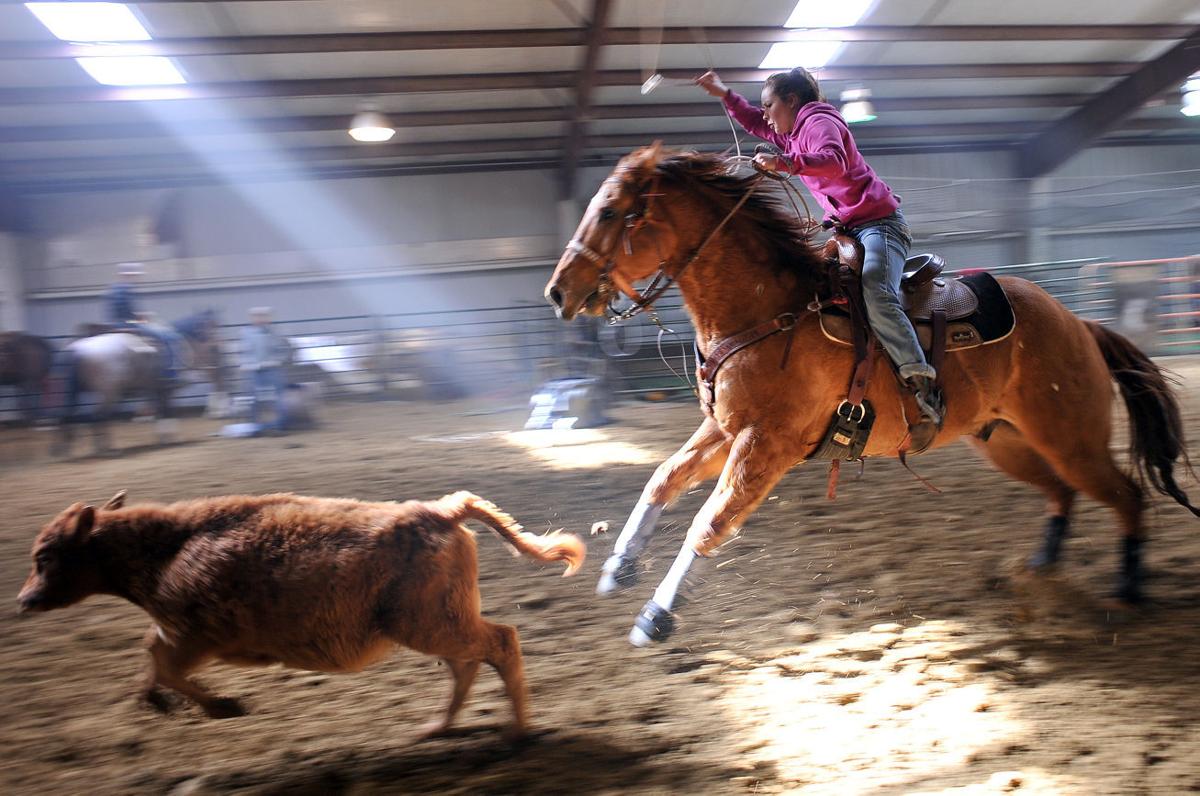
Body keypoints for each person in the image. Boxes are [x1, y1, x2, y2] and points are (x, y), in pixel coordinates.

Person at [695, 67, 943, 430]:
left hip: (879, 227)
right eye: (763, 107)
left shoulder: (818, 123)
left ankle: (922, 378)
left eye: (770, 105)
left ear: (792, 101)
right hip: (851, 230)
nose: (765, 114)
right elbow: (755, 123)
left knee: (876, 291)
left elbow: (833, 161)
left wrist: (786, 163)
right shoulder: (793, 131)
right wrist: (724, 94)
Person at [239, 307, 290, 433]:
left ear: (269, 318)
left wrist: (277, 360)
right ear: (252, 318)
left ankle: (279, 425)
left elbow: (285, 350)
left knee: (278, 398)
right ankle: (255, 427)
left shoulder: (276, 333)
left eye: (263, 316)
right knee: (253, 398)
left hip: (272, 369)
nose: (260, 319)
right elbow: (243, 352)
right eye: (257, 316)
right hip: (254, 370)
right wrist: (244, 363)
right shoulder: (245, 333)